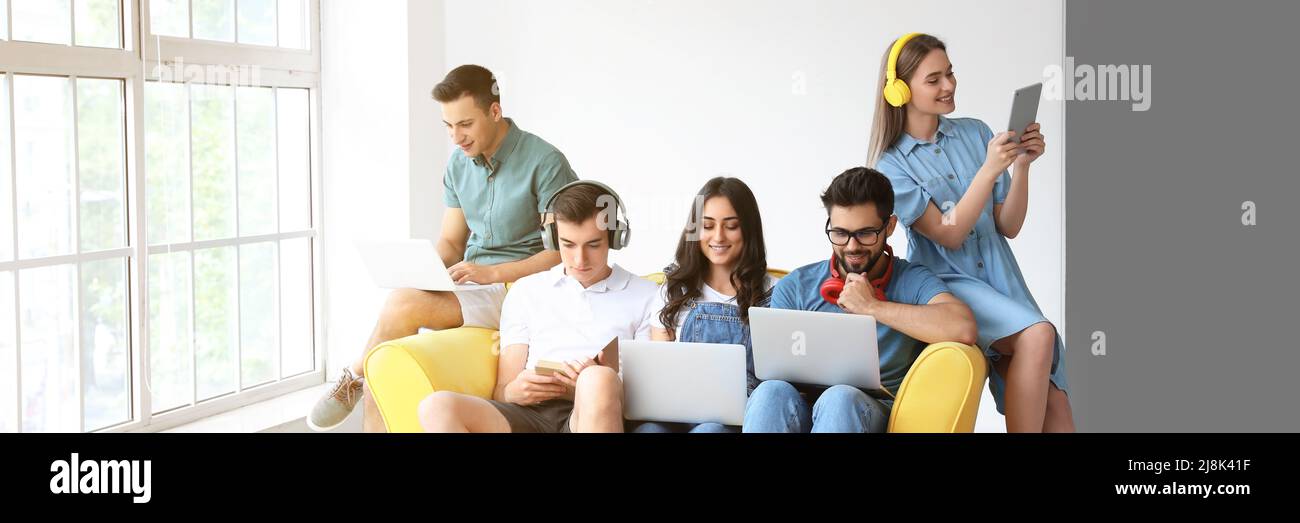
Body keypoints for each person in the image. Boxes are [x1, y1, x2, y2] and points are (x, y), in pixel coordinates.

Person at [308, 64, 578, 431]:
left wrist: (492, 272)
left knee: (402, 305)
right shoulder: (457, 164)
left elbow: (561, 253)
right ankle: (363, 398)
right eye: (448, 126)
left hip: (521, 288)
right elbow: (452, 242)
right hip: (476, 284)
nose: (456, 137)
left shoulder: (545, 162)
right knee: (393, 333)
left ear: (494, 111)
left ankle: (352, 377)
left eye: (465, 124)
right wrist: (422, 270)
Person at [868, 33, 1073, 432]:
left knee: (1057, 403)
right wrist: (990, 169)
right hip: (951, 284)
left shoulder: (976, 132)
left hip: (1002, 278)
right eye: (933, 79)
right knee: (1038, 334)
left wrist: (1022, 166)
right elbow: (950, 234)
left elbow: (1008, 225)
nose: (948, 86)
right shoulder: (891, 166)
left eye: (950, 73)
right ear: (899, 90)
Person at [745, 167, 977, 433]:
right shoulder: (796, 286)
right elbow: (777, 371)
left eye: (865, 233)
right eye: (840, 233)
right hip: (803, 407)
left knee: (840, 397)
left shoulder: (912, 279)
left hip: (868, 409)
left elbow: (963, 327)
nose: (852, 246)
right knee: (770, 391)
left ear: (889, 226)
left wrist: (873, 307)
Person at [417, 181, 658, 433]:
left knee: (596, 379)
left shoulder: (646, 295)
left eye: (593, 245)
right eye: (568, 244)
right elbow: (502, 389)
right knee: (436, 406)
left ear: (615, 238)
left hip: (592, 413)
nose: (580, 260)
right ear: (552, 238)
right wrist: (514, 391)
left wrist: (591, 385)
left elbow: (647, 397)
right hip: (529, 414)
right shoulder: (527, 290)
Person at [635, 177, 777, 433]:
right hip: (677, 412)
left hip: (738, 419)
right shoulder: (673, 289)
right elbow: (659, 370)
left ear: (749, 229)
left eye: (731, 226)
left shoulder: (773, 293)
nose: (718, 237)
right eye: (707, 226)